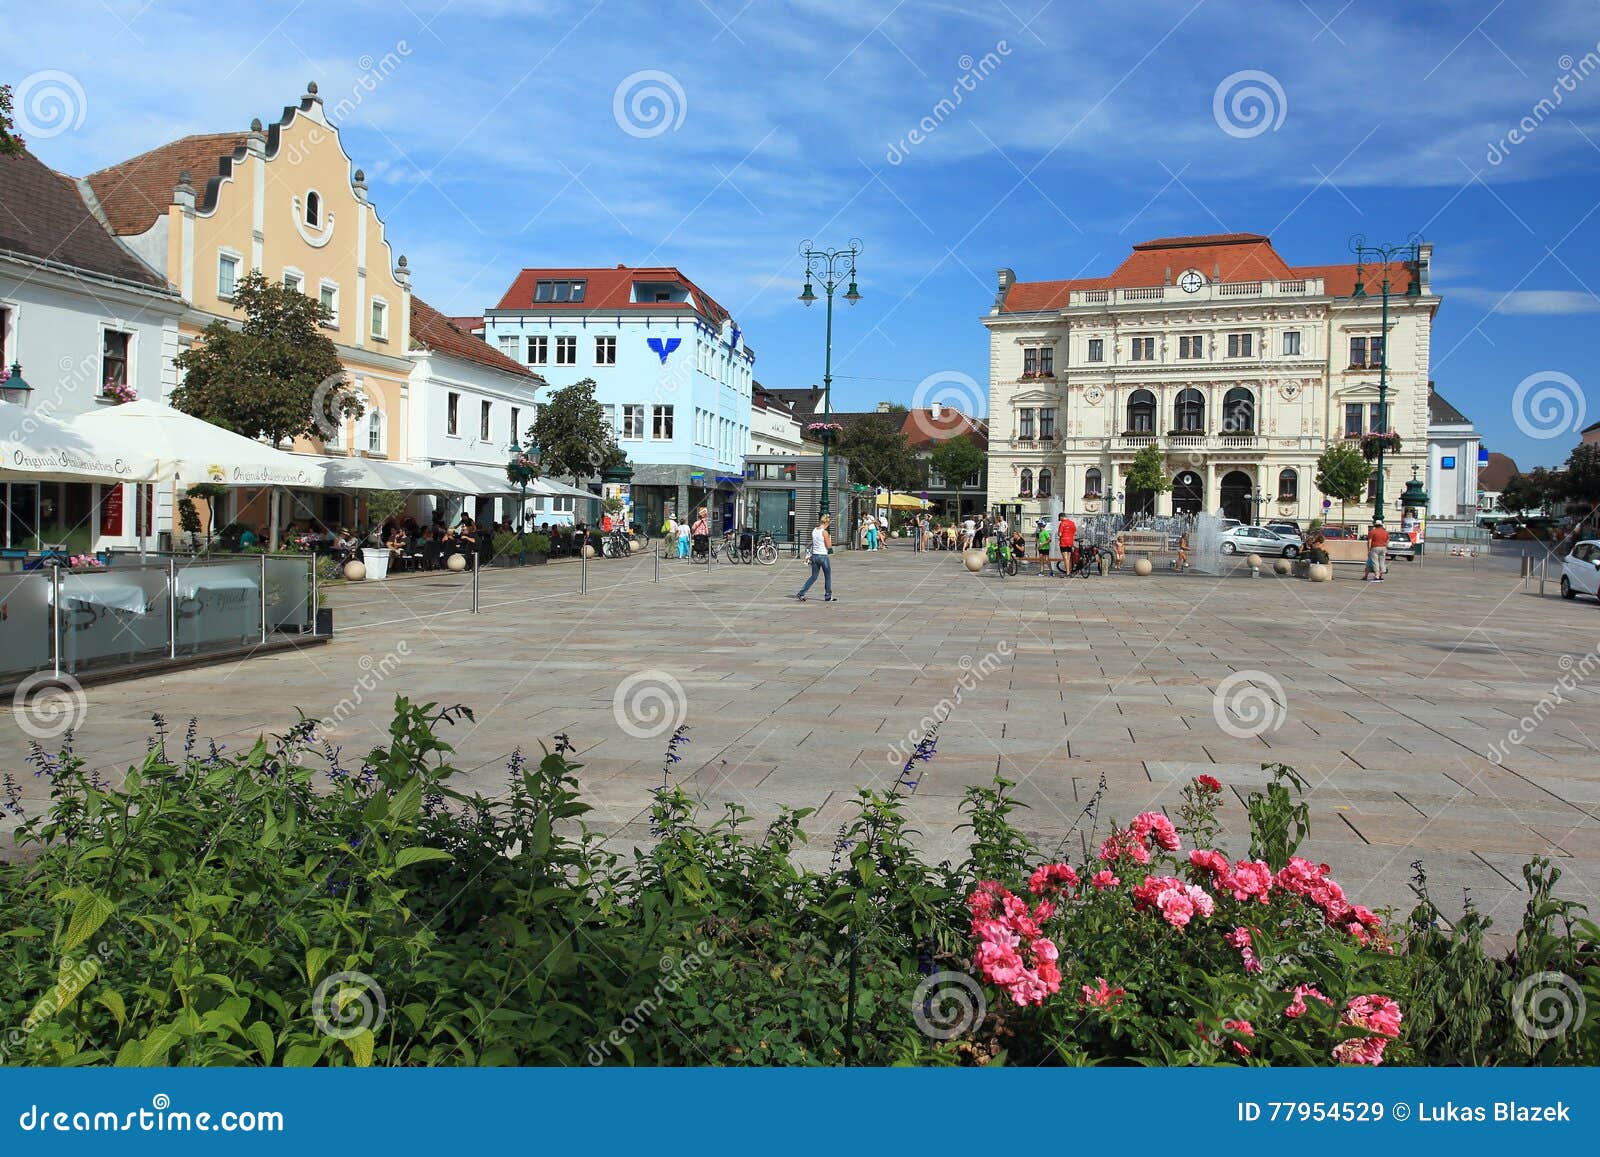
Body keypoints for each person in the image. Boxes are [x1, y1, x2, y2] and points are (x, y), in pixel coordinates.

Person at [795, 515, 836, 602]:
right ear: (826, 523)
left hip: (815, 556)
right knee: (827, 577)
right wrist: (829, 539)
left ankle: (801, 593)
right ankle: (828, 596)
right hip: (823, 556)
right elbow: (829, 546)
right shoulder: (824, 532)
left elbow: (814, 543)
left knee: (813, 577)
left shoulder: (814, 530)